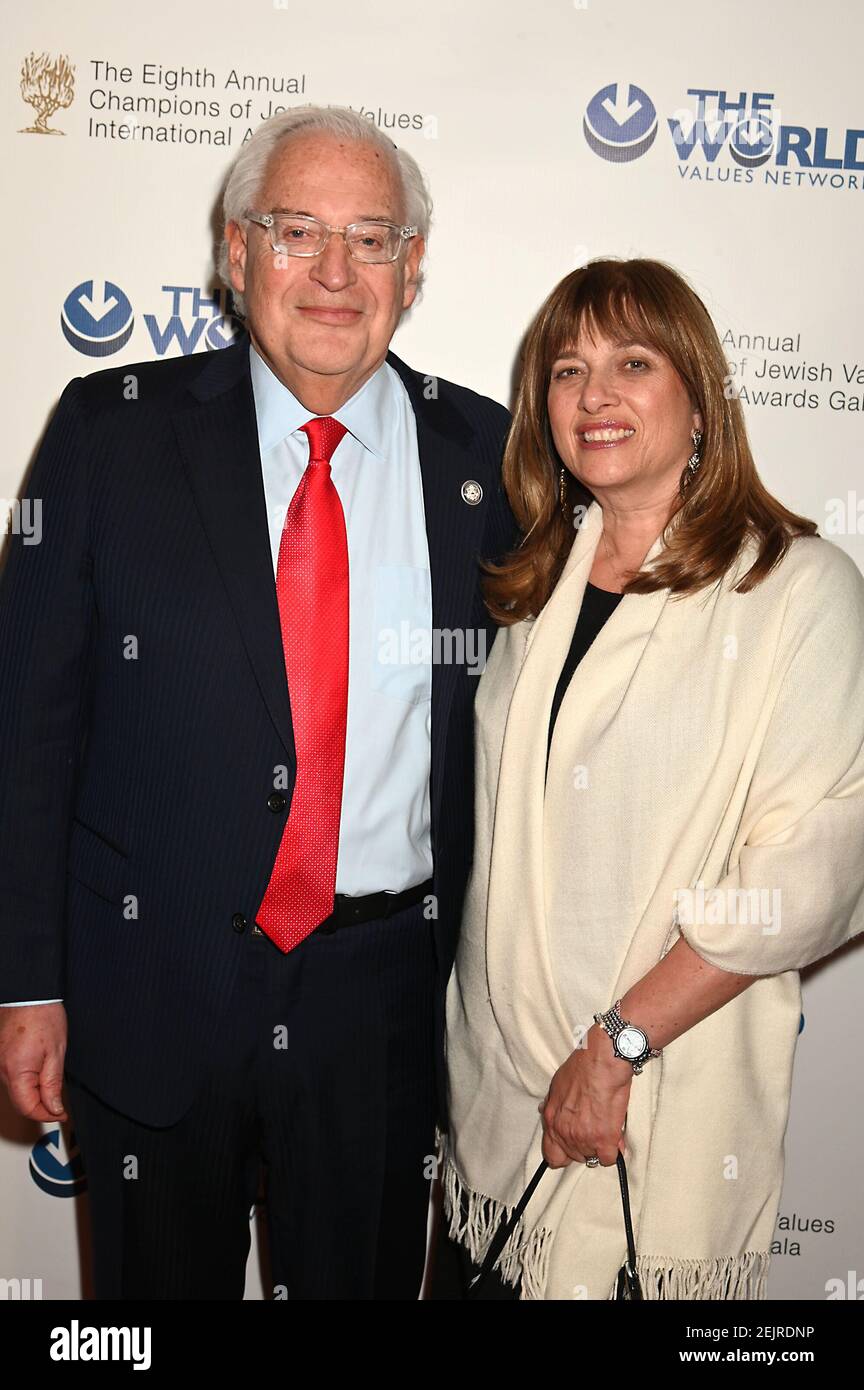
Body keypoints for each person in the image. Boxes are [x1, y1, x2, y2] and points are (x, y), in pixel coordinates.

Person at [0, 105, 516, 1300]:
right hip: (151, 986)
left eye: (372, 238)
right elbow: (27, 733)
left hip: (380, 1010)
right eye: (296, 232)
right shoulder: (109, 433)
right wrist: (27, 981)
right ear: (237, 255)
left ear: (415, 267)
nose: (336, 274)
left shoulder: (487, 461)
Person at [433, 258, 864, 1300]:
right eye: (568, 369)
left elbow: (812, 868)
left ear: (701, 395)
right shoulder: (532, 584)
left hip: (656, 1109)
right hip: (497, 1119)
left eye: (634, 362)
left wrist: (618, 1044)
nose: (595, 395)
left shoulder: (791, 586)